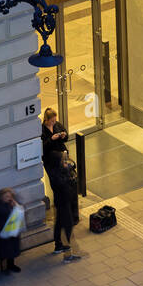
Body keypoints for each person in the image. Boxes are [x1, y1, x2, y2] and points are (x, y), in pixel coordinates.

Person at [41, 109, 78, 257]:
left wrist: (62, 135)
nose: (54, 122)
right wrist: (53, 139)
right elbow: (44, 147)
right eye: (52, 120)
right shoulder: (57, 173)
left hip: (62, 203)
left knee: (60, 222)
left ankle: (61, 245)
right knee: (63, 222)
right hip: (63, 203)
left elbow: (65, 135)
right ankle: (66, 248)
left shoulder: (57, 126)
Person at [0, 189, 23, 274]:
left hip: (11, 231)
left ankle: (11, 265)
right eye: (6, 196)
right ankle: (3, 267)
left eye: (10, 196)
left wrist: (15, 205)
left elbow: (19, 211)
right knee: (4, 251)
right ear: (1, 197)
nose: (9, 198)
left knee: (11, 250)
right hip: (2, 233)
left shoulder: (11, 204)